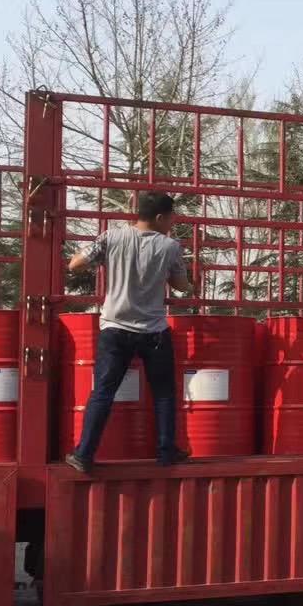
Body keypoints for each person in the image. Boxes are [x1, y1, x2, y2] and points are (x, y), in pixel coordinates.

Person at [64, 191, 191, 473]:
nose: (172, 223)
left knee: (103, 392)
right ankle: (167, 452)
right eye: (171, 218)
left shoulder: (111, 237)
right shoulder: (170, 247)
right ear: (160, 217)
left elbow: (76, 264)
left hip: (115, 328)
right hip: (154, 331)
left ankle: (84, 454)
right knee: (164, 393)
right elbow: (182, 286)